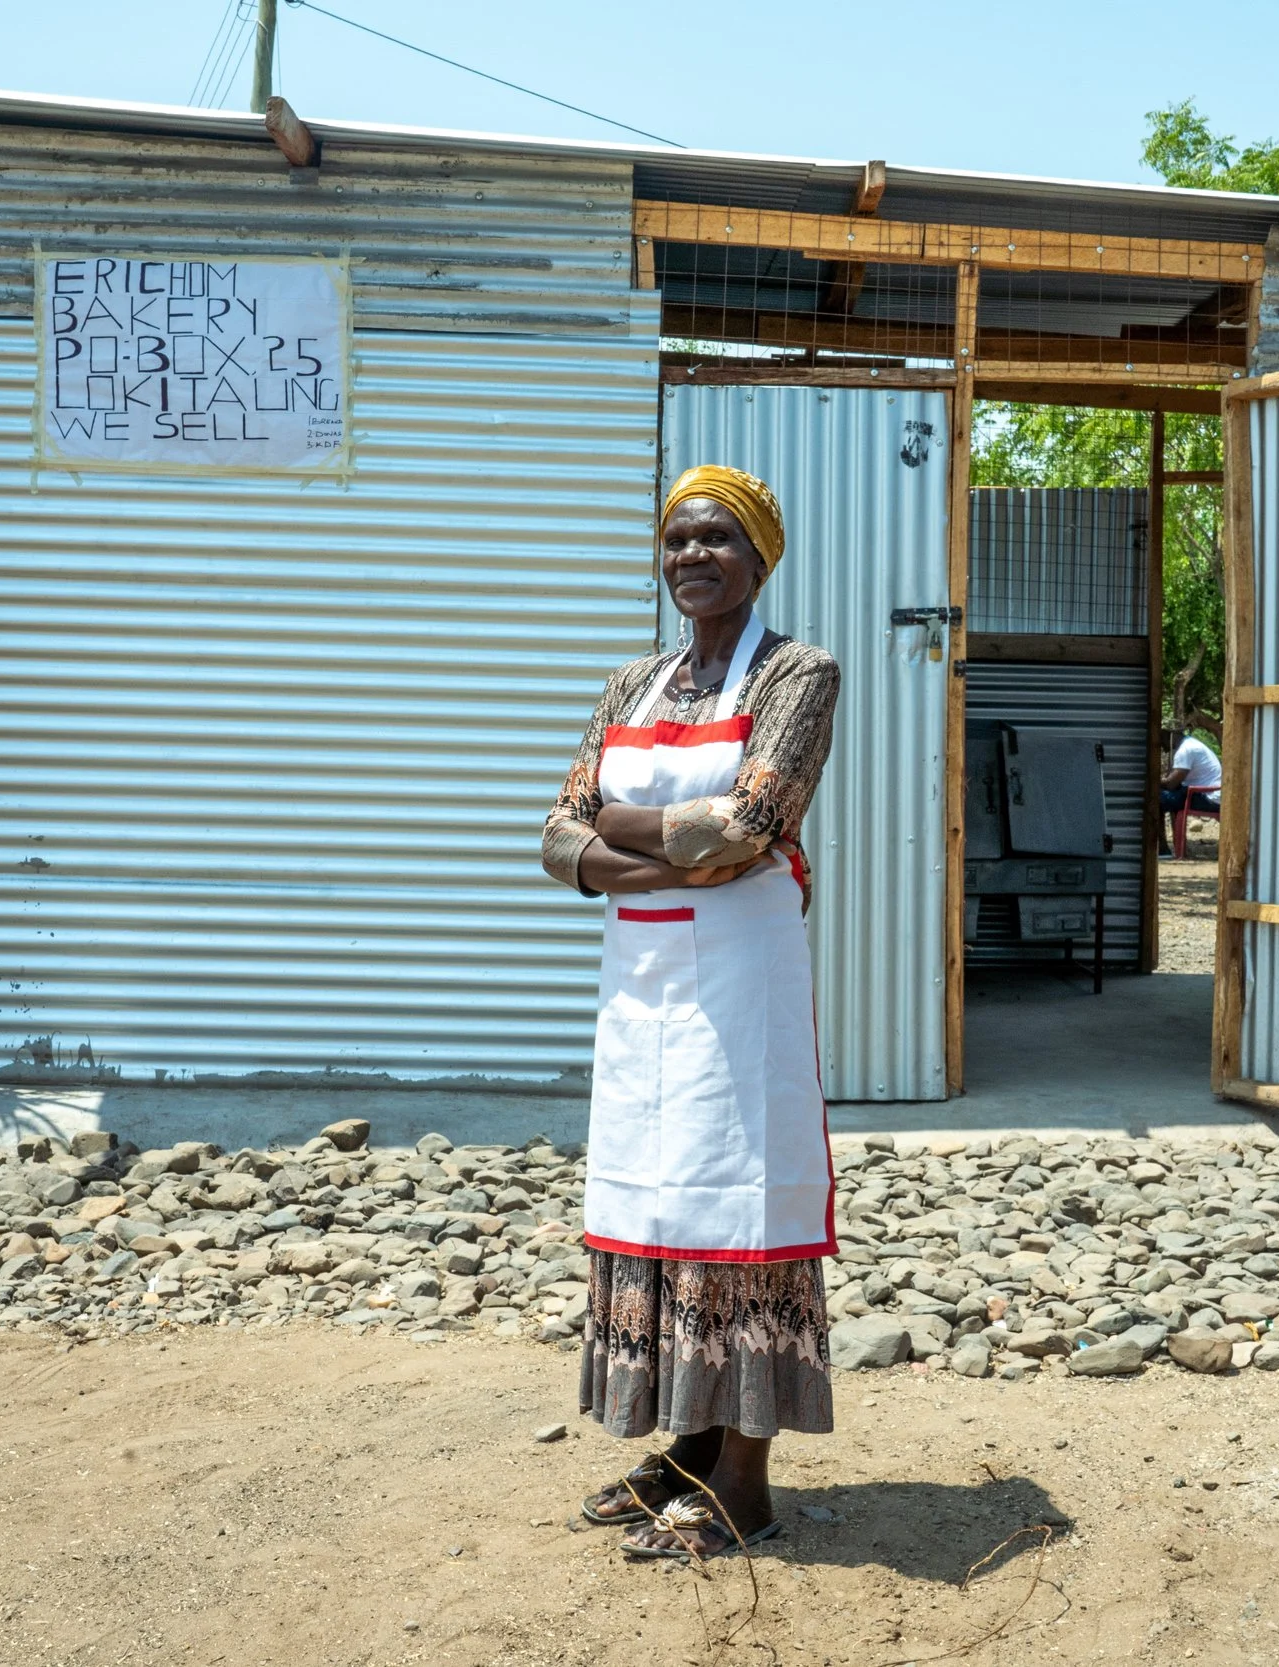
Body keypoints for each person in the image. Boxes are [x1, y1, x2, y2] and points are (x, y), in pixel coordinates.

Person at [540, 464, 841, 1564]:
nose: (691, 558)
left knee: (741, 1206)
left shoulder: (800, 672)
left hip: (740, 988)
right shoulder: (629, 681)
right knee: (656, 1202)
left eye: (716, 539)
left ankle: (745, 1483)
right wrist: (669, 839)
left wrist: (615, 830)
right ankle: (683, 1447)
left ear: (759, 556)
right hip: (641, 985)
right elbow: (553, 837)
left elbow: (752, 822)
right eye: (675, 540)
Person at [1160, 731, 1222, 858]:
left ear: (1168, 736)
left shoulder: (1185, 750)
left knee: (1156, 800)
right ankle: (1173, 848)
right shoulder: (1192, 744)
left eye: (1162, 743)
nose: (1164, 749)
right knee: (1169, 797)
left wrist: (1154, 780)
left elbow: (1171, 784)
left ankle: (1163, 849)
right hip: (1210, 794)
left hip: (1208, 797)